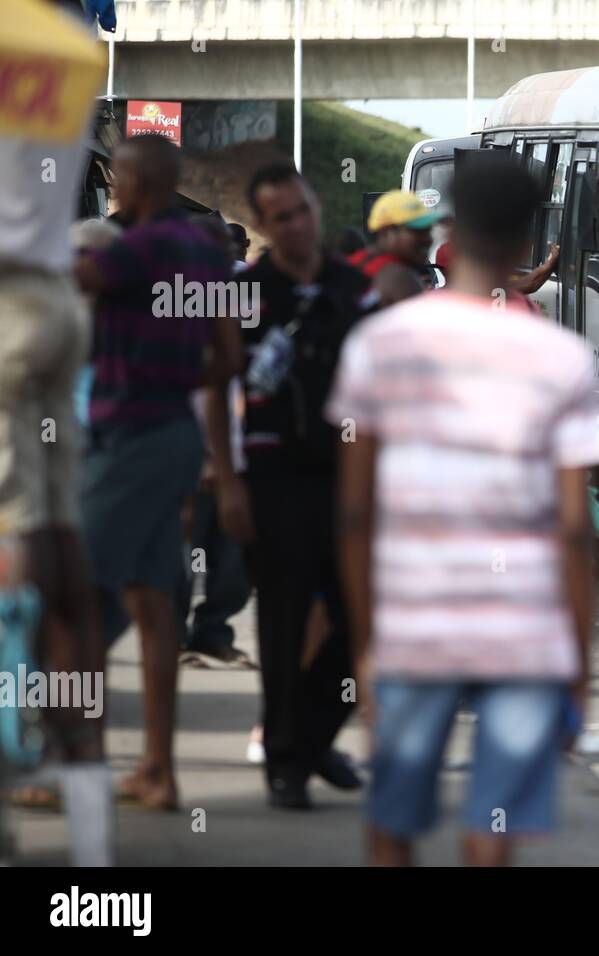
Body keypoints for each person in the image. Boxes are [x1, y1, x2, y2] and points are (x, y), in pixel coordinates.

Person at [331, 150, 599, 867]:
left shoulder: (380, 344)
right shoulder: (562, 360)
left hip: (413, 622)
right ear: (525, 241)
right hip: (524, 628)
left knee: (391, 821)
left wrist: (365, 640)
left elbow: (355, 512)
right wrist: (579, 666)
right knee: (494, 830)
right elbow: (576, 530)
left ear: (451, 227)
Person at [73, 133, 242, 811]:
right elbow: (229, 357)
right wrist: (172, 373)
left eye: (117, 181)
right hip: (176, 430)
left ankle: (73, 767)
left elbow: (65, 287)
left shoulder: (129, 250)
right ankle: (157, 770)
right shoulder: (208, 251)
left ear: (138, 183)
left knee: (76, 597)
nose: (111, 191)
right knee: (153, 602)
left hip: (127, 435)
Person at [207, 160, 376, 809]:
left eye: (302, 211)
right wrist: (227, 483)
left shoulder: (352, 292)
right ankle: (287, 761)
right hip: (272, 477)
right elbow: (216, 388)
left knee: (363, 613)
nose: (296, 225)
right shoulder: (243, 293)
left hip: (348, 474)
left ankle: (310, 737)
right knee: (280, 625)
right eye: (280, 218)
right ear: (264, 227)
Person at [0, 87, 112, 858]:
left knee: (12, 548)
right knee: (61, 551)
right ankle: (92, 845)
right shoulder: (63, 51)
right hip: (52, 296)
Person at [350, 190, 440, 290]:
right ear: (386, 232)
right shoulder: (397, 278)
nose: (428, 239)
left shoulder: (355, 264)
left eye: (428, 231)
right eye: (418, 232)